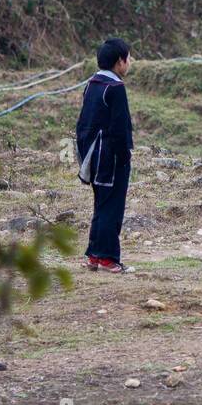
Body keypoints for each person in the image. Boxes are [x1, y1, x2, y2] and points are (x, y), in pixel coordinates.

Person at [75, 37, 135, 273]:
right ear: (119, 62)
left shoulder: (92, 84)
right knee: (113, 207)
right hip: (112, 159)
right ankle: (109, 259)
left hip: (93, 158)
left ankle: (94, 255)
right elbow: (121, 128)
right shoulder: (116, 88)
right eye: (128, 58)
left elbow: (83, 124)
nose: (130, 63)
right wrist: (125, 156)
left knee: (101, 205)